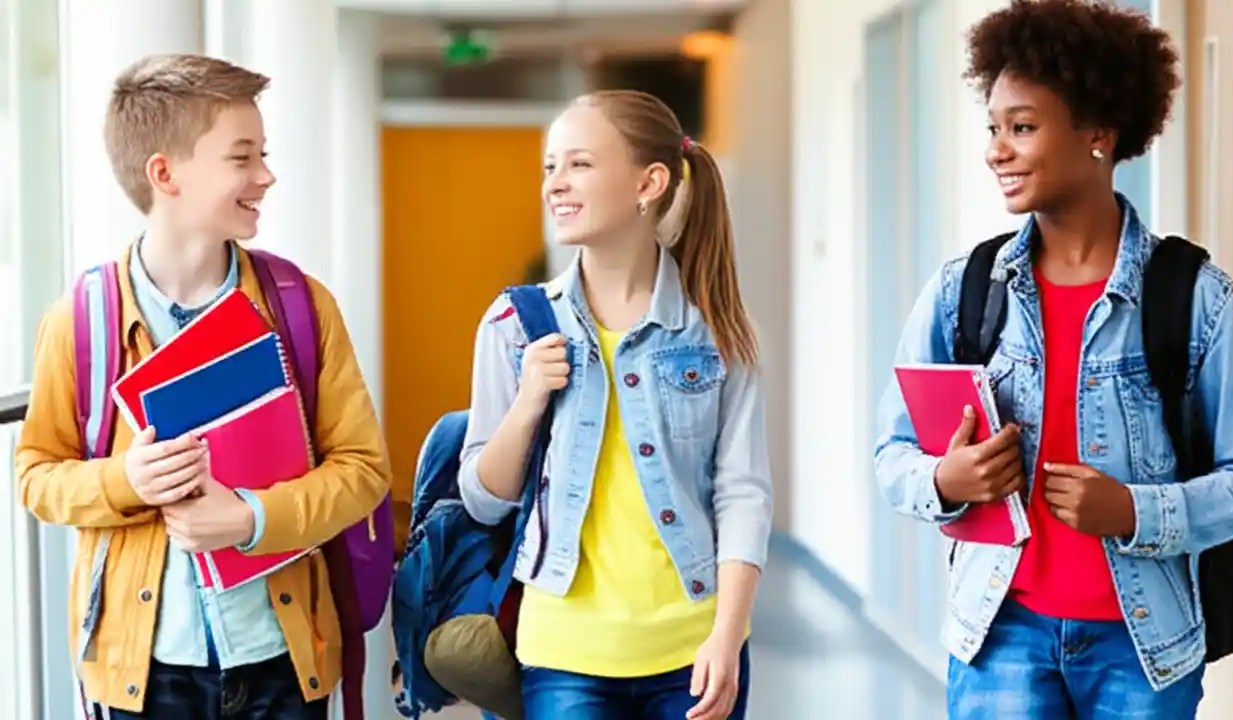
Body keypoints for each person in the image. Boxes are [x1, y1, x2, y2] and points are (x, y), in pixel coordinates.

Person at [874, 1, 1233, 717]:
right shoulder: (960, 291)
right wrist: (944, 477)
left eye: (1022, 127)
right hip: (1000, 637)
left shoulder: (1195, 298)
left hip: (1142, 648)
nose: (997, 149)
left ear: (1097, 134)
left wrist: (1135, 510)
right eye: (993, 127)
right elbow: (891, 454)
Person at [14, 54, 391, 719]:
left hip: (281, 663)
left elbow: (364, 472)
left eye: (263, 154)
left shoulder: (301, 307)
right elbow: (36, 476)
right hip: (142, 675)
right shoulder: (81, 320)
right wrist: (127, 481)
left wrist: (251, 518)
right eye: (242, 158)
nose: (266, 175)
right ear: (166, 173)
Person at [458, 89, 773, 720]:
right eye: (550, 166)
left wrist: (727, 635)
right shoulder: (513, 325)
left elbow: (743, 493)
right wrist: (526, 403)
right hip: (564, 654)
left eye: (578, 164)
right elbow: (482, 496)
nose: (555, 183)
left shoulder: (716, 333)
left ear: (648, 182)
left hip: (693, 648)